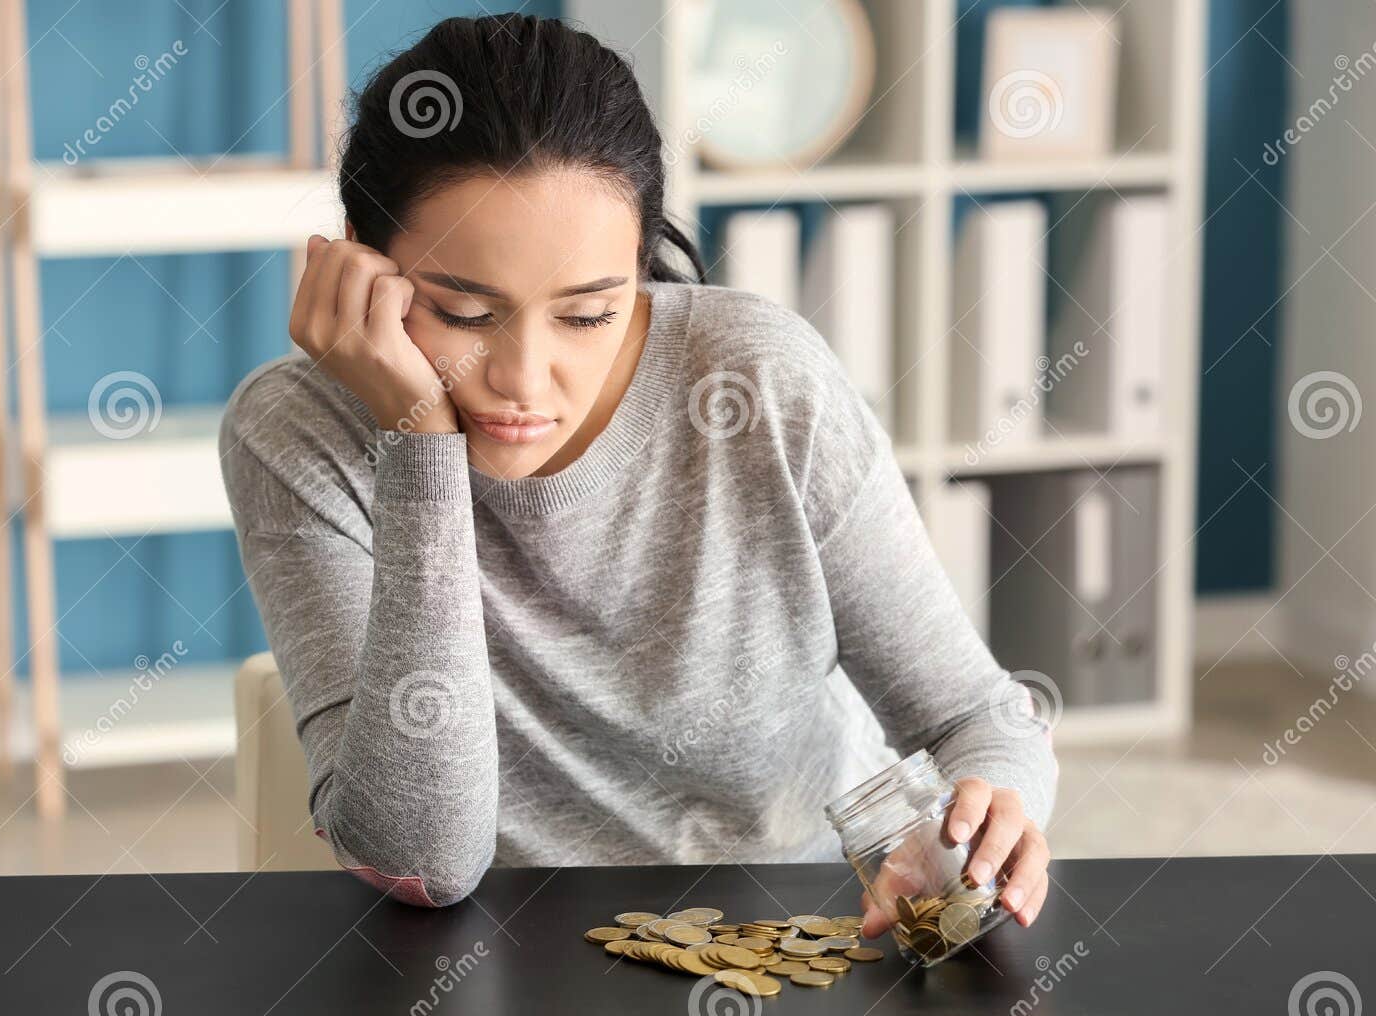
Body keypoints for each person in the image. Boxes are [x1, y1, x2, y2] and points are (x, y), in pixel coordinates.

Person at [219, 12, 1057, 936]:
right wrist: (418, 442)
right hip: (499, 957)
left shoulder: (758, 383)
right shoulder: (297, 433)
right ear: (357, 259)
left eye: (586, 315)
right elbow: (421, 861)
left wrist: (995, 809)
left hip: (802, 933)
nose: (523, 380)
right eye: (460, 310)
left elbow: (981, 716)